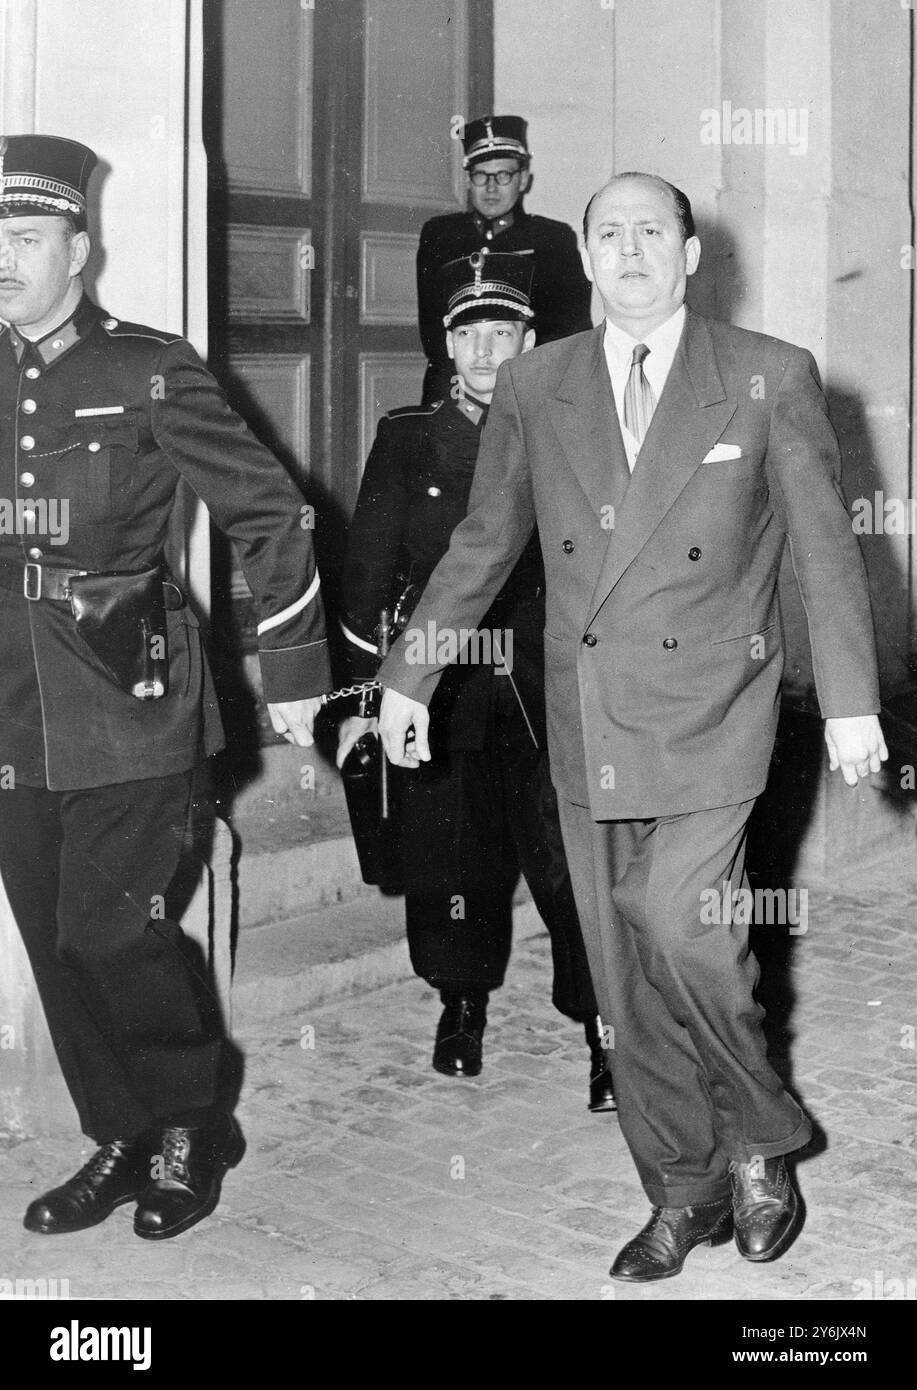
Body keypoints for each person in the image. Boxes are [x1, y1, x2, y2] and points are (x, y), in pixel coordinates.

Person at [378, 172, 887, 1283]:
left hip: (713, 710)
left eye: (649, 232)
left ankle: (761, 1137)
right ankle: (683, 1185)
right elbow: (485, 539)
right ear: (587, 261)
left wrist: (849, 702)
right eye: (607, 235)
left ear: (690, 254)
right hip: (586, 713)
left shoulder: (764, 375)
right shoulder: (534, 381)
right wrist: (410, 675)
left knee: (681, 921)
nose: (627, 251)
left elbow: (819, 547)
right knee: (622, 977)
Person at [0, 135, 329, 1241]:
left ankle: (192, 1120)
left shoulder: (148, 366)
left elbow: (269, 512)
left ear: (79, 250)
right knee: (51, 935)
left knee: (112, 930)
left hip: (131, 693)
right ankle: (121, 1133)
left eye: (28, 236)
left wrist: (292, 673)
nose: (4, 257)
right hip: (10, 705)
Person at [336, 251, 614, 1109]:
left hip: (550, 682)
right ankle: (460, 1005)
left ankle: (603, 1029)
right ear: (447, 346)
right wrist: (364, 696)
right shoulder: (408, 438)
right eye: (470, 335)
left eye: (505, 333)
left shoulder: (574, 431)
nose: (488, 352)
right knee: (450, 853)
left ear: (531, 340)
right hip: (441, 686)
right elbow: (365, 576)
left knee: (572, 860)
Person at [416, 115, 592, 403]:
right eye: (481, 176)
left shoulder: (553, 238)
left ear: (523, 179)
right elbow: (433, 330)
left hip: (530, 385)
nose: (491, 187)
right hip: (454, 385)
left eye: (503, 175)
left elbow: (570, 330)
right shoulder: (439, 235)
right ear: (467, 180)